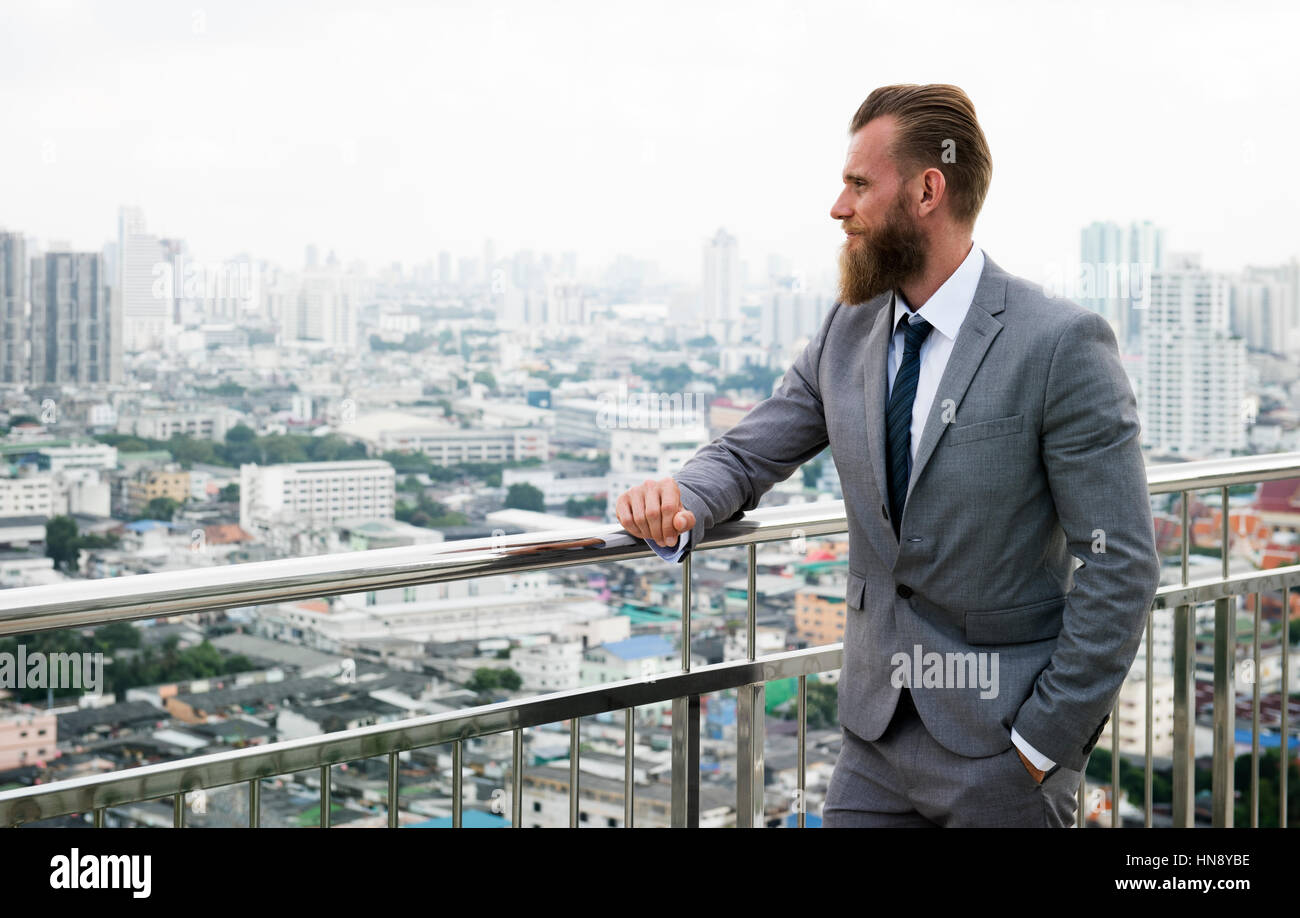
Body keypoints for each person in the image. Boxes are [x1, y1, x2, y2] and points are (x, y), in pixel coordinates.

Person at [615, 83, 1161, 827]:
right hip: (872, 744)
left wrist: (1044, 743)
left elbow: (1122, 560)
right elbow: (749, 452)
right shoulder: (849, 329)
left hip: (1005, 753)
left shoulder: (1058, 344)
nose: (839, 208)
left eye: (859, 185)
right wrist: (679, 495)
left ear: (928, 189)